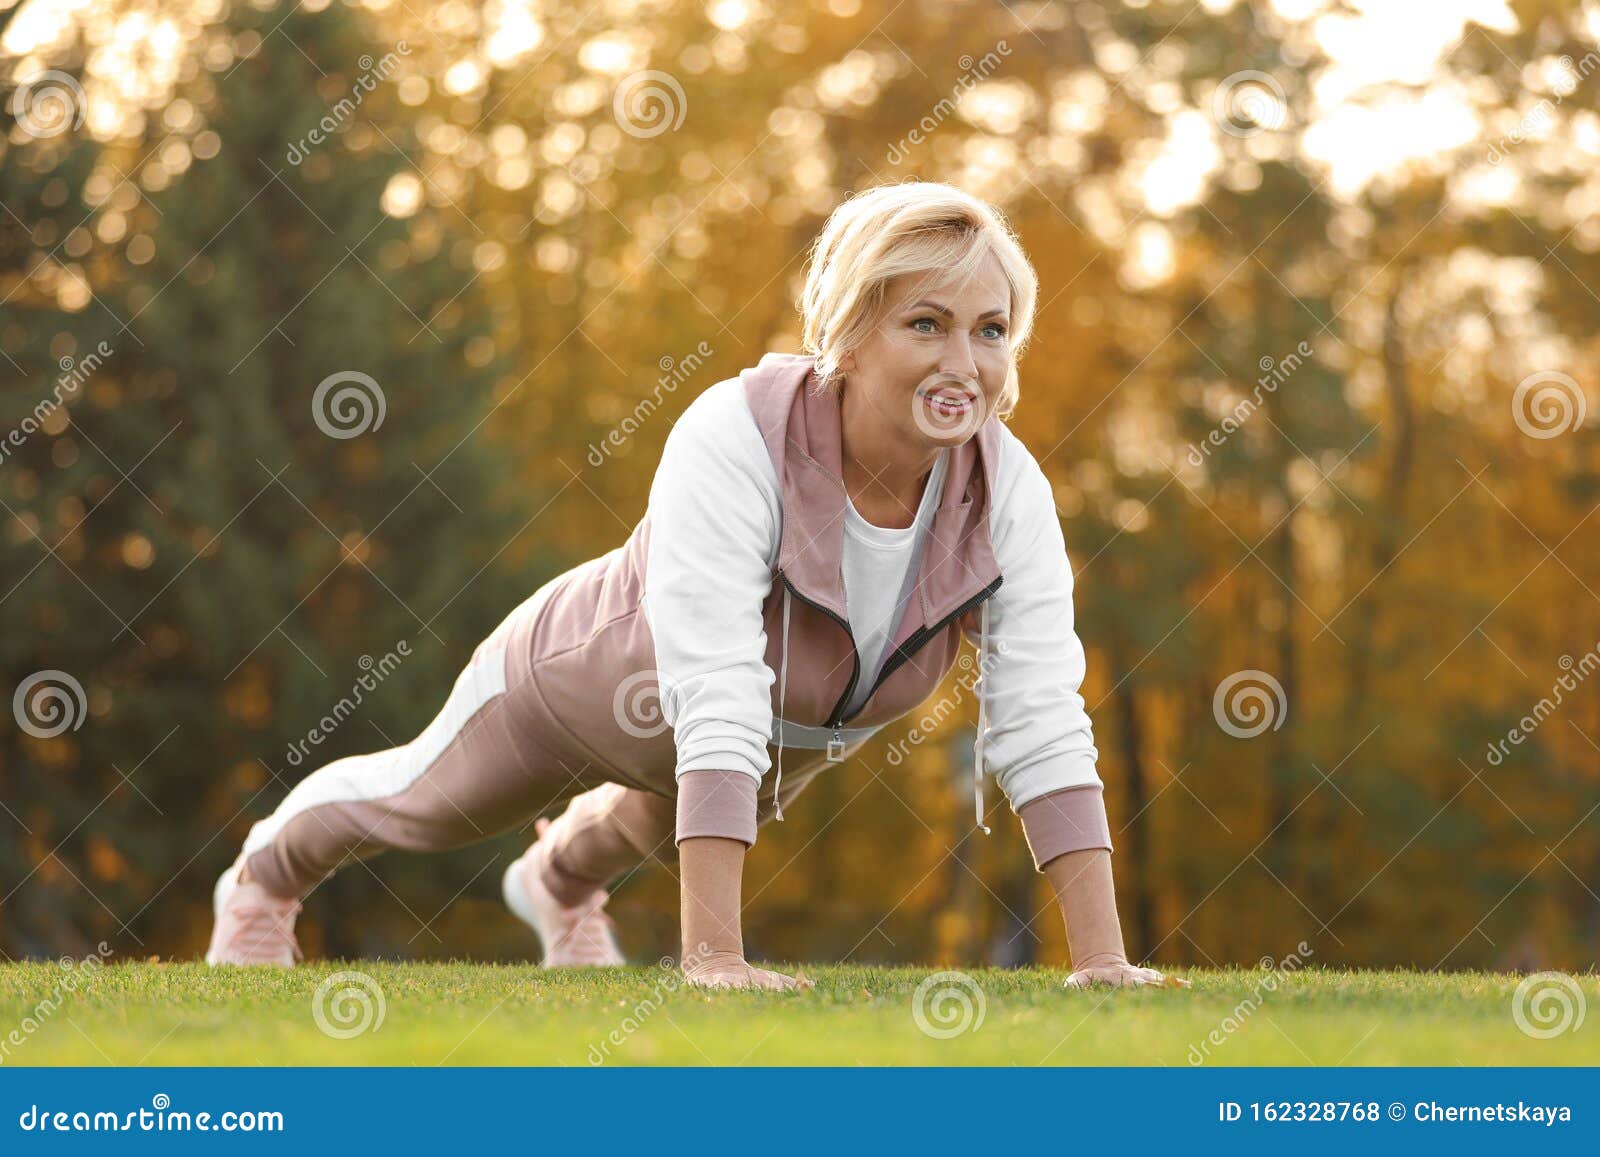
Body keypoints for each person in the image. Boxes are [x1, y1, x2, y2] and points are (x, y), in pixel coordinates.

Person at [205, 180, 1189, 991]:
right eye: (924, 323)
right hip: (577, 679)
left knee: (642, 824)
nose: (962, 362)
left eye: (989, 330)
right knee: (422, 805)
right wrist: (713, 957)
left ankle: (553, 887)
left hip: (762, 745)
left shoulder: (1005, 488)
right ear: (846, 334)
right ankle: (259, 879)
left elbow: (1039, 714)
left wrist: (1100, 959)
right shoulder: (736, 433)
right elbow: (717, 682)